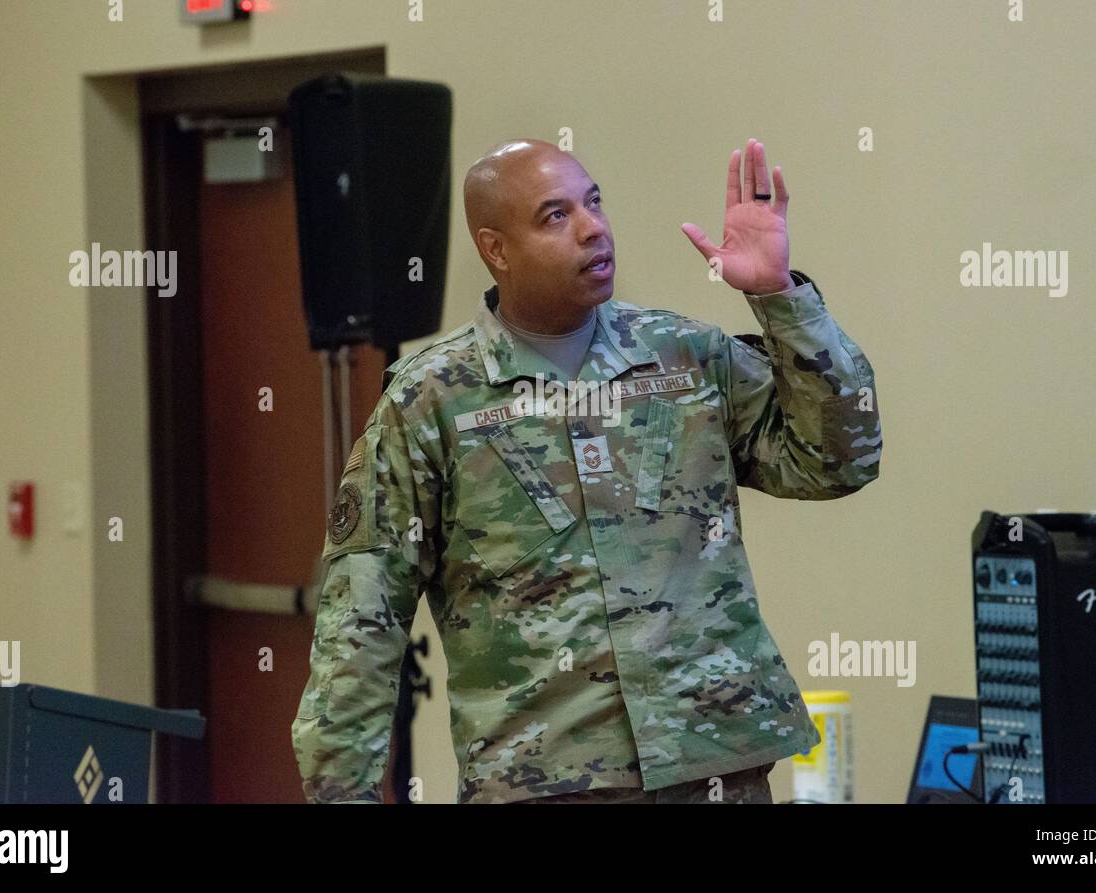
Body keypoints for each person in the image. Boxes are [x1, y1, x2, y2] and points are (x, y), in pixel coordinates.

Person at [292, 137, 881, 804]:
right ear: (496, 249)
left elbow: (839, 461)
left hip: (716, 768)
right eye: (555, 215)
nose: (593, 226)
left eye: (594, 203)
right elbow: (359, 629)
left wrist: (780, 298)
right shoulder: (430, 402)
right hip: (546, 782)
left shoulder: (684, 358)